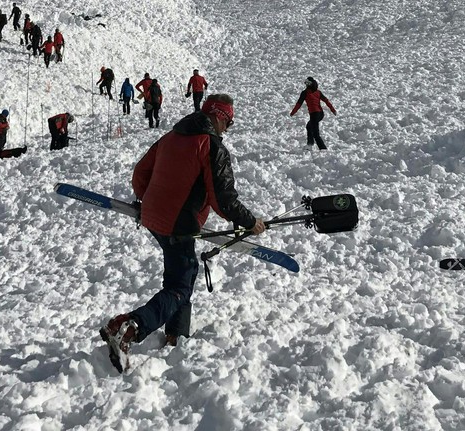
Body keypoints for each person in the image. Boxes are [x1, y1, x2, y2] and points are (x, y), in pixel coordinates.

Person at [100, 94, 265, 372]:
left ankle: (177, 335)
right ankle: (129, 327)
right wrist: (249, 222)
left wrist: (149, 201)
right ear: (219, 116)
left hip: (154, 217)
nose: (228, 128)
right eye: (229, 122)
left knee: (181, 274)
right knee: (180, 285)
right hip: (179, 223)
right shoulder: (211, 145)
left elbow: (141, 172)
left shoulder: (171, 135)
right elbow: (223, 198)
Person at [290, 77, 337, 150]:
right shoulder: (318, 92)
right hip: (321, 114)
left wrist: (293, 112)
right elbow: (326, 100)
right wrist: (333, 110)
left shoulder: (305, 93)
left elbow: (299, 104)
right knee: (309, 126)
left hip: (314, 115)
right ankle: (310, 144)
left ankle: (323, 149)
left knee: (316, 134)